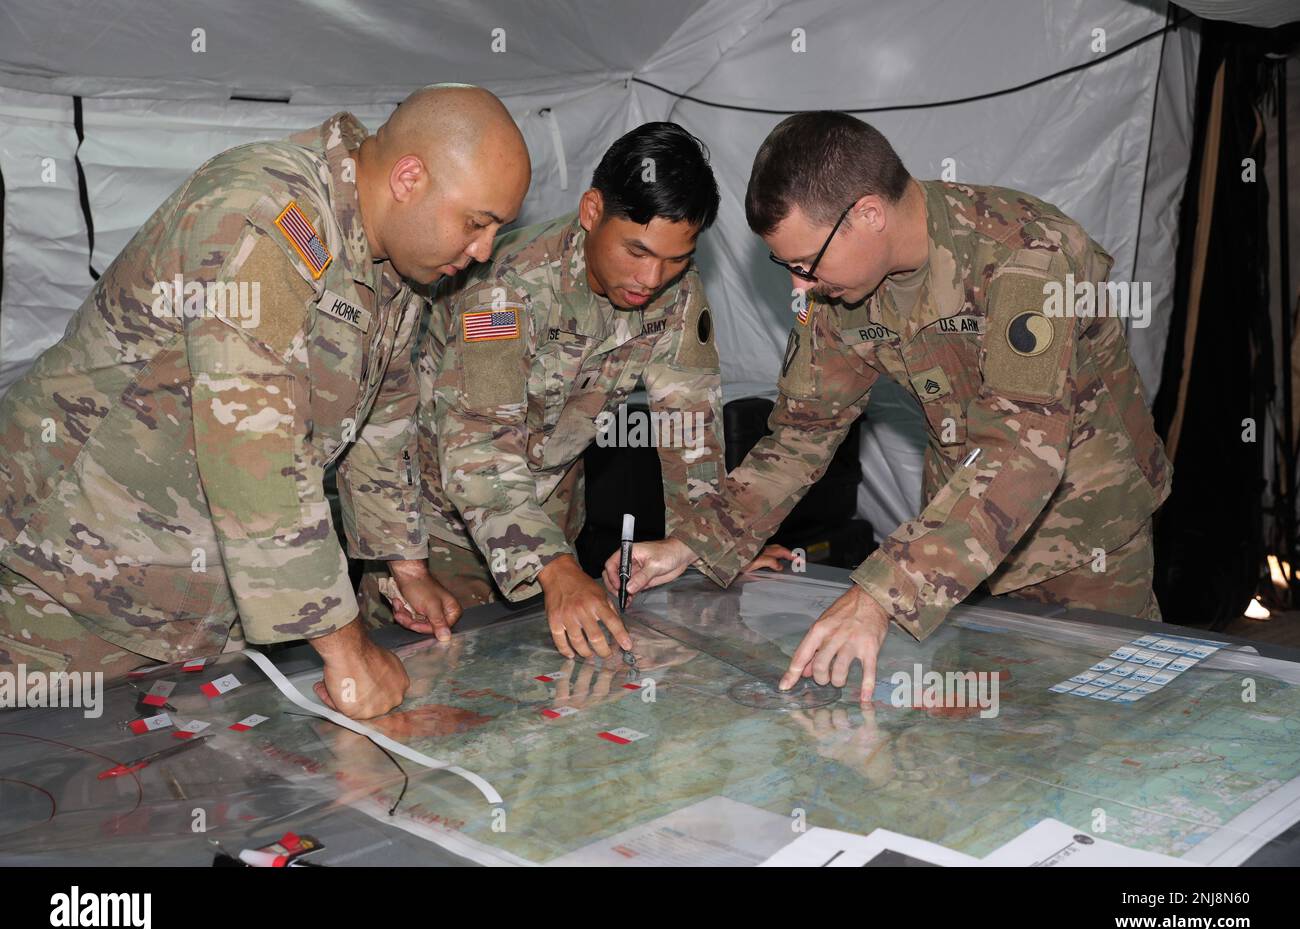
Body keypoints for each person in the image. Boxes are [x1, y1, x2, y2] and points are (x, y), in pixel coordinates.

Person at [0, 85, 530, 719]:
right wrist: (344, 645)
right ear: (409, 177)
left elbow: (382, 418)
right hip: (65, 573)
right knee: (44, 787)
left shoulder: (393, 264)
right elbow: (251, 437)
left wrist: (406, 564)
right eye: (477, 222)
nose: (484, 251)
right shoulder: (270, 212)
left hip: (194, 587)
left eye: (499, 228)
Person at [608, 111, 1172, 703]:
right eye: (787, 267)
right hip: (956, 543)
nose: (800, 287)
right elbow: (803, 432)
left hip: (1085, 538)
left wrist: (882, 593)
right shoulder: (837, 287)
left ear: (868, 215)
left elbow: (1022, 455)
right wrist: (695, 541)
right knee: (973, 741)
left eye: (806, 263)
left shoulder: (1027, 258)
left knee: (1104, 730)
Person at [369, 122, 727, 661]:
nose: (652, 277)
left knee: (546, 693)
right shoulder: (505, 289)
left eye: (676, 258)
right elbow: (479, 447)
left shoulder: (678, 294)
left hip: (552, 521)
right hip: (442, 533)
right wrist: (555, 568)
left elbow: (691, 431)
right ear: (591, 211)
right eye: (636, 250)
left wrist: (703, 544)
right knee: (443, 687)